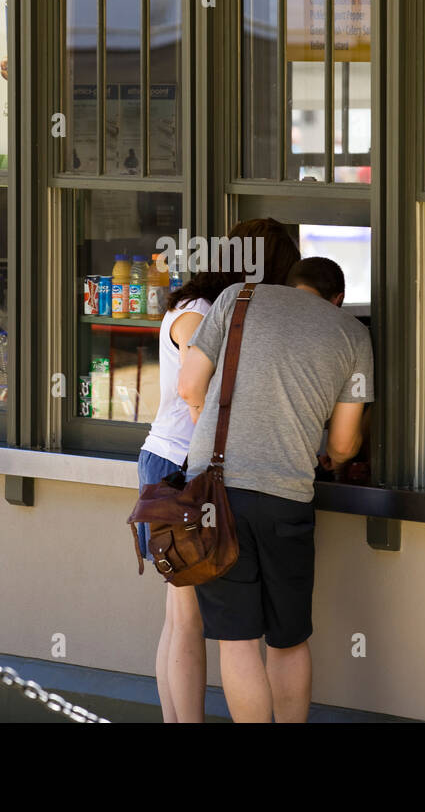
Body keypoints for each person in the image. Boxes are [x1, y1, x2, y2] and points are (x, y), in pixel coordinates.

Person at [177, 255, 373, 723]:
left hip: (216, 494)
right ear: (337, 298)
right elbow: (343, 444)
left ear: (289, 283)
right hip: (288, 494)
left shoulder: (236, 299)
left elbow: (188, 386)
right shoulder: (353, 333)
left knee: (238, 640)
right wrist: (339, 453)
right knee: (288, 639)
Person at [135, 217, 301, 724]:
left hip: (173, 462)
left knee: (178, 615)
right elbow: (196, 394)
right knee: (186, 617)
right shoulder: (201, 312)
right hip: (182, 467)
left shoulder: (199, 303)